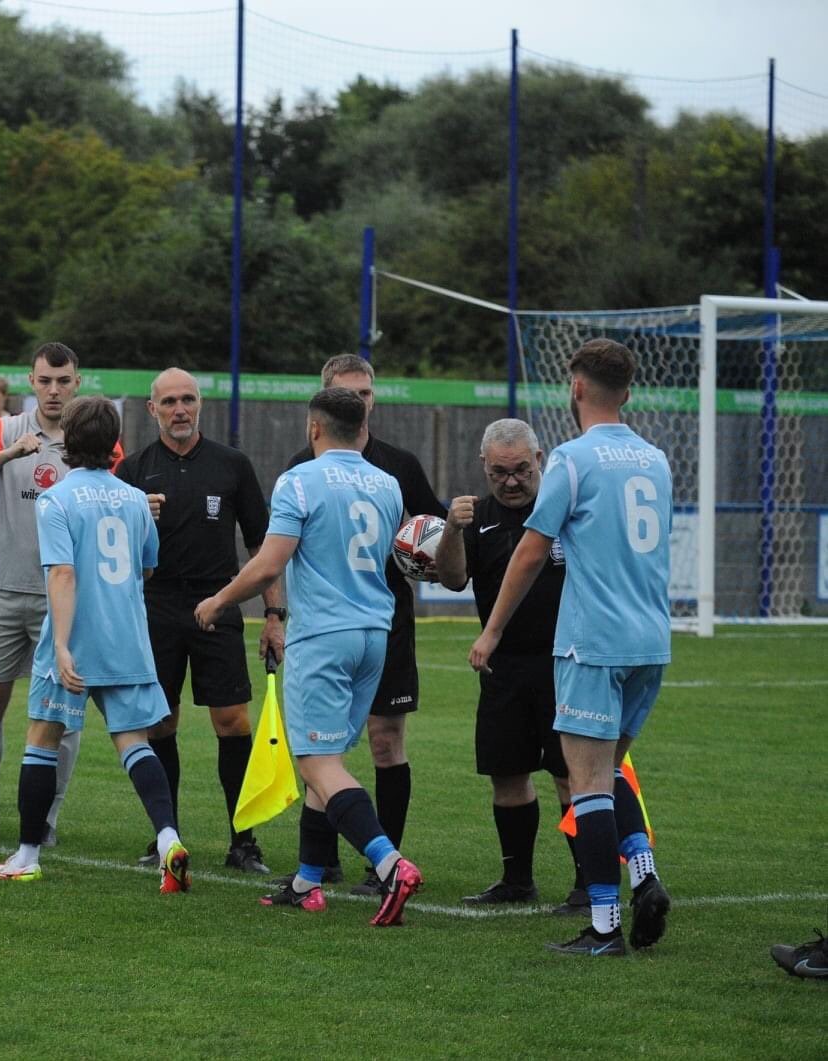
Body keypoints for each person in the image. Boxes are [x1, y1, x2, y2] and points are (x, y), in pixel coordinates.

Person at [469, 339, 673, 957]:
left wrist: (493, 630)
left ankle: (605, 926)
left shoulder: (572, 459)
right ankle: (645, 877)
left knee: (585, 785)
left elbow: (531, 550)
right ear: (629, 392)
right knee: (609, 773)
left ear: (576, 389)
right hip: (651, 643)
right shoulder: (656, 459)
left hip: (592, 644)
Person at [198, 387, 423, 926]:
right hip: (375, 632)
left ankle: (390, 864)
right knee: (329, 763)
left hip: (324, 635)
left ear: (313, 428)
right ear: (362, 428)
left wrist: (220, 599)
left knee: (317, 762)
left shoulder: (301, 480)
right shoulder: (387, 484)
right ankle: (307, 881)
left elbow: (270, 561)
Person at [0, 397, 190, 892]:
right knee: (135, 743)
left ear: (69, 442)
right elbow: (146, 568)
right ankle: (167, 840)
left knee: (42, 741)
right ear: (113, 445)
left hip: (76, 641)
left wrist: (59, 644)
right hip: (127, 639)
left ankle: (28, 854)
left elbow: (62, 572)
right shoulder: (136, 500)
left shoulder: (58, 499)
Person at [0, 343, 120, 844]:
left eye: (63, 381)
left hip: (63, 599)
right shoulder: (7, 429)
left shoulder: (96, 437)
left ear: (78, 382)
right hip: (4, 590)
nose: (54, 390)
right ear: (31, 381)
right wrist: (7, 454)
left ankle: (47, 818)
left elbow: (119, 491)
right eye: (45, 381)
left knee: (60, 716)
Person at [285, 353, 445, 894]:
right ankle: (315, 870)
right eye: (349, 395)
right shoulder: (299, 467)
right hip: (339, 626)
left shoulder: (398, 467)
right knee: (325, 750)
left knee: (381, 742)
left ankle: (384, 865)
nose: (360, 403)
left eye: (367, 394)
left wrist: (428, 553)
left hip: (382, 623)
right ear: (326, 399)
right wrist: (275, 615)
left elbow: (432, 537)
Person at [115, 367, 283, 874]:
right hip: (155, 607)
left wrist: (274, 614)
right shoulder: (133, 471)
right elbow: (112, 549)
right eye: (168, 402)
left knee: (232, 723)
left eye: (187, 399)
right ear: (152, 410)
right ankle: (168, 836)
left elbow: (262, 546)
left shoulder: (232, 465)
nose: (179, 409)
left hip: (219, 603)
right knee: (160, 722)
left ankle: (244, 841)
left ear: (200, 404)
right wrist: (134, 516)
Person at [436, 418, 583, 910]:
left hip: (566, 663)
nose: (512, 481)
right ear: (484, 466)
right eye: (500, 472)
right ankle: (517, 881)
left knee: (572, 776)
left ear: (539, 460)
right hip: (503, 668)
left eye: (521, 469)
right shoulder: (477, 517)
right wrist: (452, 529)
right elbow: (453, 579)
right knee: (508, 775)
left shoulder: (564, 506)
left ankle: (589, 882)